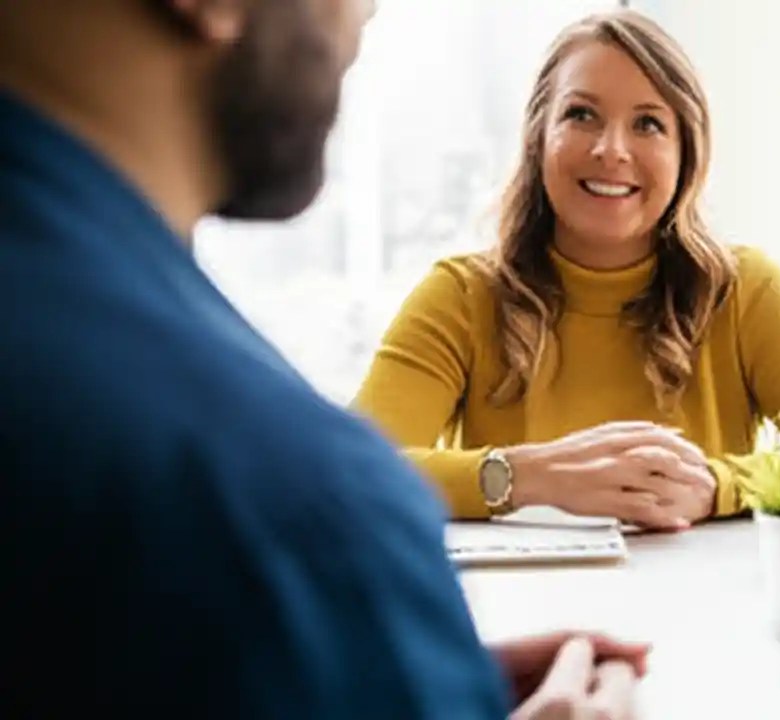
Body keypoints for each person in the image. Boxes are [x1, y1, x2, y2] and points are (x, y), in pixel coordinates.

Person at [0, 1, 646, 718]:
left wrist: (340, 667)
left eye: (649, 123)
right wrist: (347, 630)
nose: (370, 11)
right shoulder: (288, 512)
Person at [352, 9, 780, 529]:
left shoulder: (741, 291)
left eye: (648, 124)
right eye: (581, 115)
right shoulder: (462, 296)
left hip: (708, 612)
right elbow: (353, 477)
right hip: (519, 618)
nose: (611, 150)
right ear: (538, 139)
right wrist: (528, 477)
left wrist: (721, 486)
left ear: (685, 154)